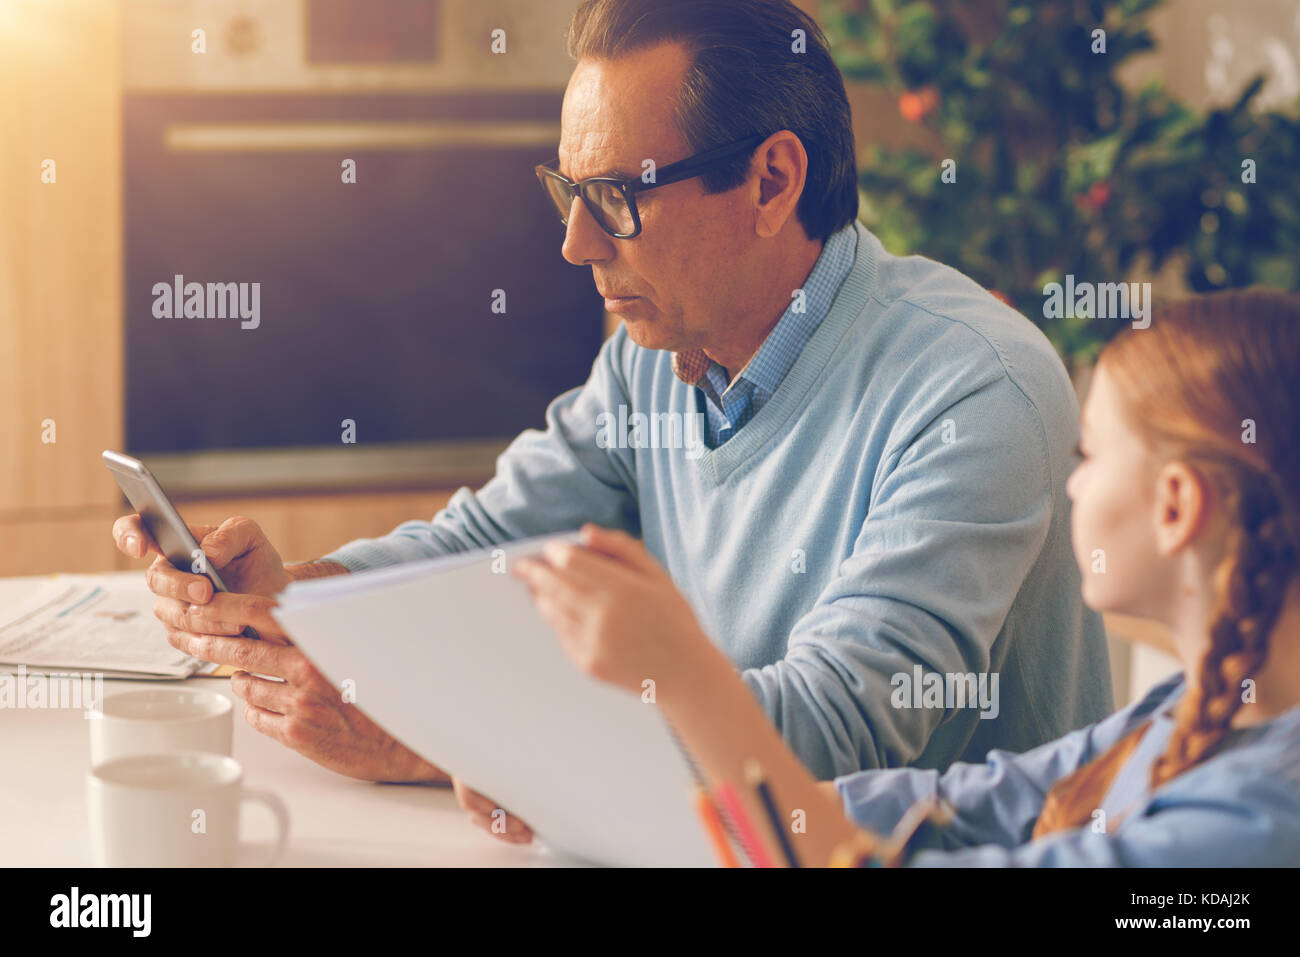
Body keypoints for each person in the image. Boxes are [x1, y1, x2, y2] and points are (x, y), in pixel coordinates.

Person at [111, 0, 1109, 792]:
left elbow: (836, 729)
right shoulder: (658, 346)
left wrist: (453, 742)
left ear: (771, 182)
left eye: (617, 200)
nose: (576, 246)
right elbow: (488, 540)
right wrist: (295, 595)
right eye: (570, 193)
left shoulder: (974, 389)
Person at [500, 290, 1300, 865]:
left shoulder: (1258, 822)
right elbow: (945, 806)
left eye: (1089, 455)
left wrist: (680, 671)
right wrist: (585, 781)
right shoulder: (1180, 715)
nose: (1072, 484)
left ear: (1176, 505)